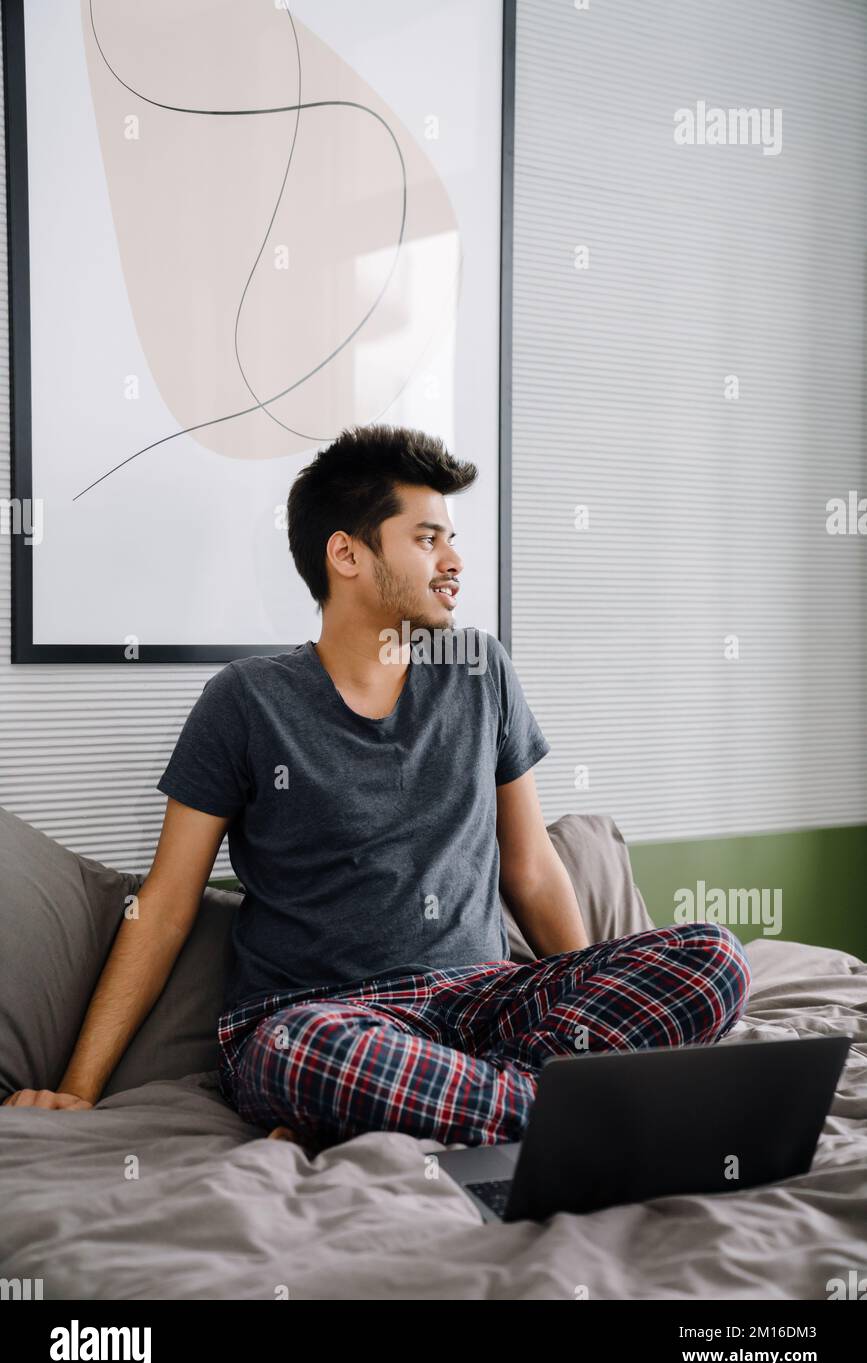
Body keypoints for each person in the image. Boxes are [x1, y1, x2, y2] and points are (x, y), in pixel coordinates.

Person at [3, 424, 751, 1149]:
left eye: (451, 537)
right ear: (347, 554)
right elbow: (164, 905)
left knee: (713, 957)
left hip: (481, 1005)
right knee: (299, 1048)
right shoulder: (246, 702)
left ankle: (486, 1104)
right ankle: (568, 1110)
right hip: (324, 1019)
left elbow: (529, 867)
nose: (454, 559)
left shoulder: (479, 670)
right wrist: (78, 1087)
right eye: (427, 538)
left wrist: (581, 990)